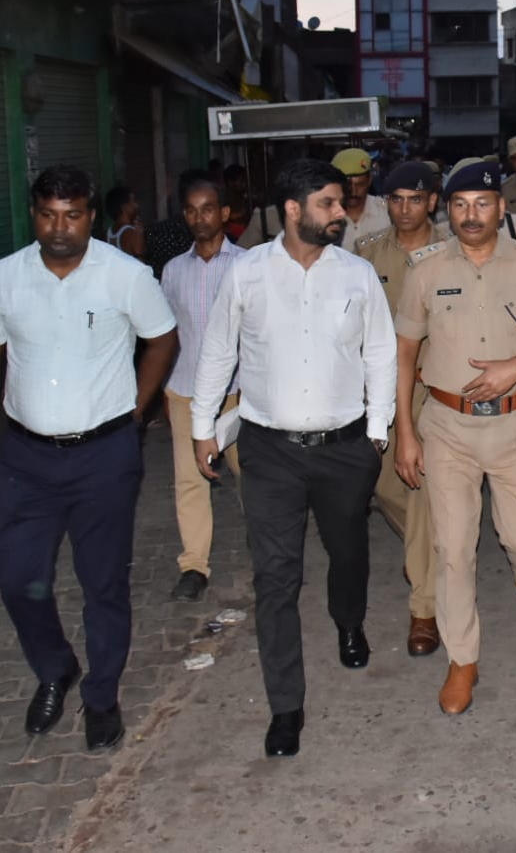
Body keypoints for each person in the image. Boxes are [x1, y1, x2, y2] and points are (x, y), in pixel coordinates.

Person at [0, 166, 178, 751]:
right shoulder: (6, 277)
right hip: (26, 456)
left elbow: (163, 340)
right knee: (19, 575)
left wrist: (137, 412)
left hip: (104, 454)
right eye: (48, 215)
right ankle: (54, 669)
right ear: (34, 214)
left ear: (90, 216)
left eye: (72, 215)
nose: (59, 228)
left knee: (102, 583)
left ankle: (102, 697)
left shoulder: (125, 275)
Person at [190, 158, 395, 759]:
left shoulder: (357, 276)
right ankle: (286, 706)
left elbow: (381, 353)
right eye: (329, 204)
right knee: (275, 578)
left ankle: (348, 619)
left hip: (344, 447)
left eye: (341, 203)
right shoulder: (246, 273)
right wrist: (204, 427)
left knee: (349, 552)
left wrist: (377, 431)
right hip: (269, 449)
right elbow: (216, 352)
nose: (341, 212)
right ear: (293, 210)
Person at [393, 160, 516, 714]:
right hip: (445, 427)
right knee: (452, 550)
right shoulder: (423, 270)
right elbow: (403, 353)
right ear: (447, 210)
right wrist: (405, 430)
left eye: (482, 204)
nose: (471, 215)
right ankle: (462, 659)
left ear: (501, 208)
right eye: (460, 204)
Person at [353, 161, 445, 657]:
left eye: (415, 198)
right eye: (395, 199)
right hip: (384, 391)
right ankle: (430, 549)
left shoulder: (453, 252)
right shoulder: (366, 256)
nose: (404, 208)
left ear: (432, 201)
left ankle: (424, 610)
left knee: (424, 488)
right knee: (390, 487)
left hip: (438, 390)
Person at [160, 175, 244, 603]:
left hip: (238, 395)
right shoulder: (173, 271)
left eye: (208, 208)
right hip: (187, 395)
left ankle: (269, 553)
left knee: (254, 477)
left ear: (225, 214)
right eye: (191, 210)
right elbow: (167, 334)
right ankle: (194, 565)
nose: (199, 217)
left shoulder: (248, 266)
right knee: (190, 481)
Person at [333, 147, 391, 240]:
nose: (353, 191)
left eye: (359, 185)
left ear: (369, 181)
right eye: (347, 185)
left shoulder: (387, 212)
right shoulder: (327, 217)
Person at [104, 185, 145, 259]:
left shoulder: (109, 232)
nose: (136, 206)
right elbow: (140, 262)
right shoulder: (131, 233)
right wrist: (140, 235)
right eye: (133, 202)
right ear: (125, 207)